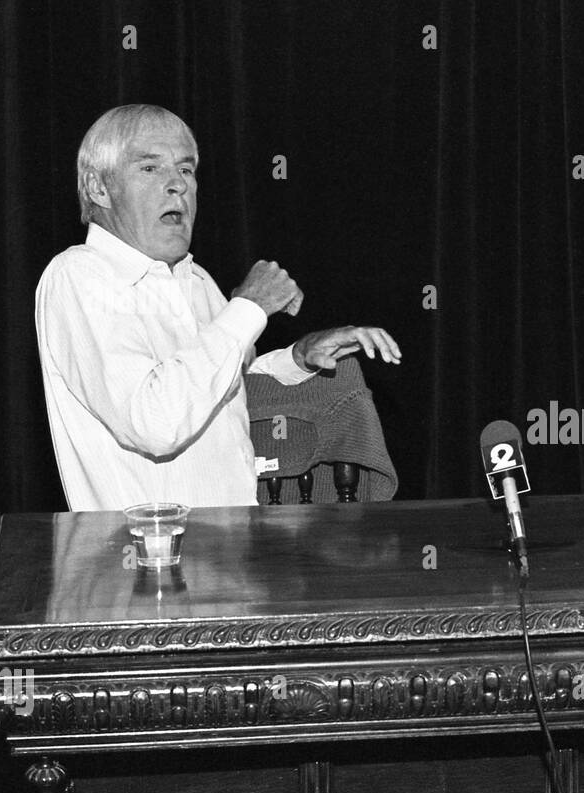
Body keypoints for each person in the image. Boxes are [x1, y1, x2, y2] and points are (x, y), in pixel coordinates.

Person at [35, 104, 402, 511]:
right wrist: (247, 307)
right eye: (150, 169)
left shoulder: (195, 280)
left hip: (231, 551)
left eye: (186, 170)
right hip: (143, 561)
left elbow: (220, 387)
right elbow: (156, 422)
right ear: (98, 188)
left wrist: (297, 359)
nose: (177, 185)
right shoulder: (80, 276)